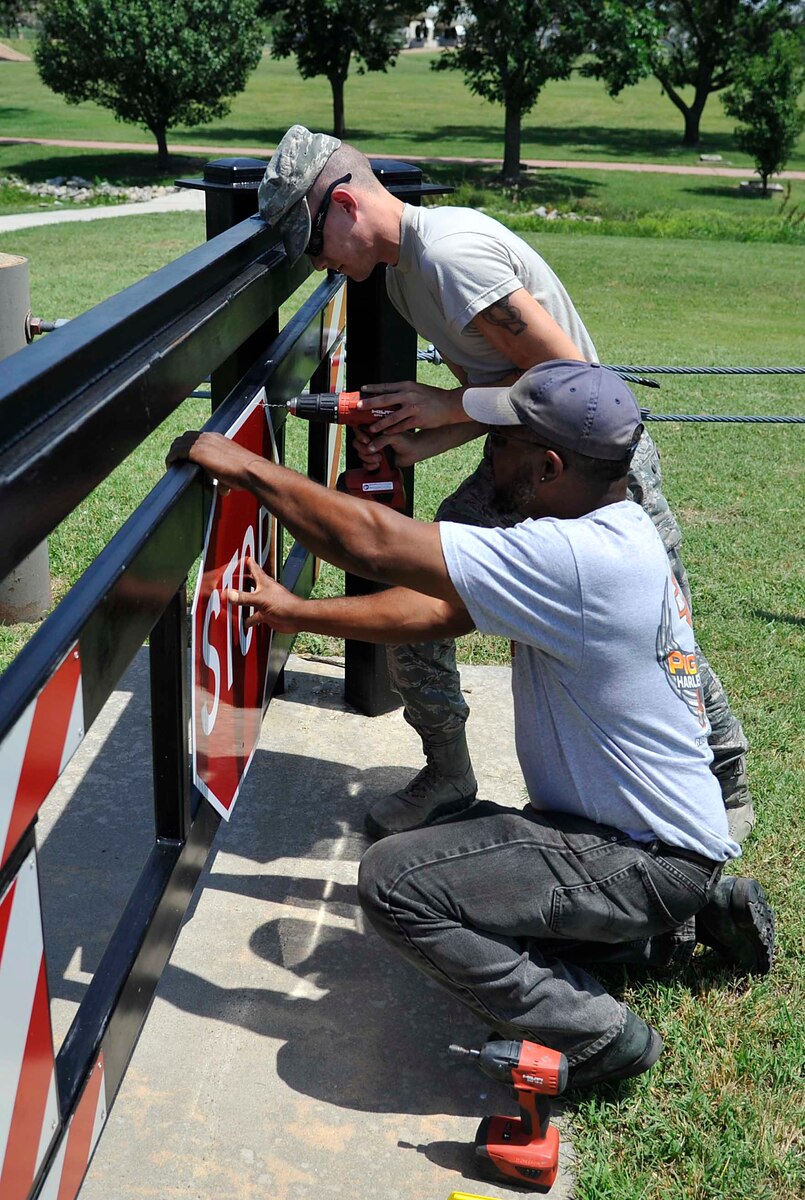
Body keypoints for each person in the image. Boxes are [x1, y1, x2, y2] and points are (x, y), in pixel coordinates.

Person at [167, 360, 774, 1088]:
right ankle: (687, 922)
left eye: (500, 444)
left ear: (547, 467)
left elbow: (373, 542)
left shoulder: (573, 558)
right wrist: (299, 613)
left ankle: (594, 1034)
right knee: (453, 850)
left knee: (397, 882)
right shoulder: (613, 530)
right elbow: (441, 611)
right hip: (650, 845)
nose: (488, 458)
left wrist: (245, 467)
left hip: (640, 856)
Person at [256, 124, 752, 845]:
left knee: (657, 632)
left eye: (311, 242)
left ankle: (725, 779)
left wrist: (444, 403)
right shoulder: (403, 279)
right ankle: (447, 774)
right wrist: (423, 437)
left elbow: (567, 381)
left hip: (589, 469)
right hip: (523, 461)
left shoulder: (449, 255)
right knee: (421, 580)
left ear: (346, 204)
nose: (317, 263)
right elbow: (498, 396)